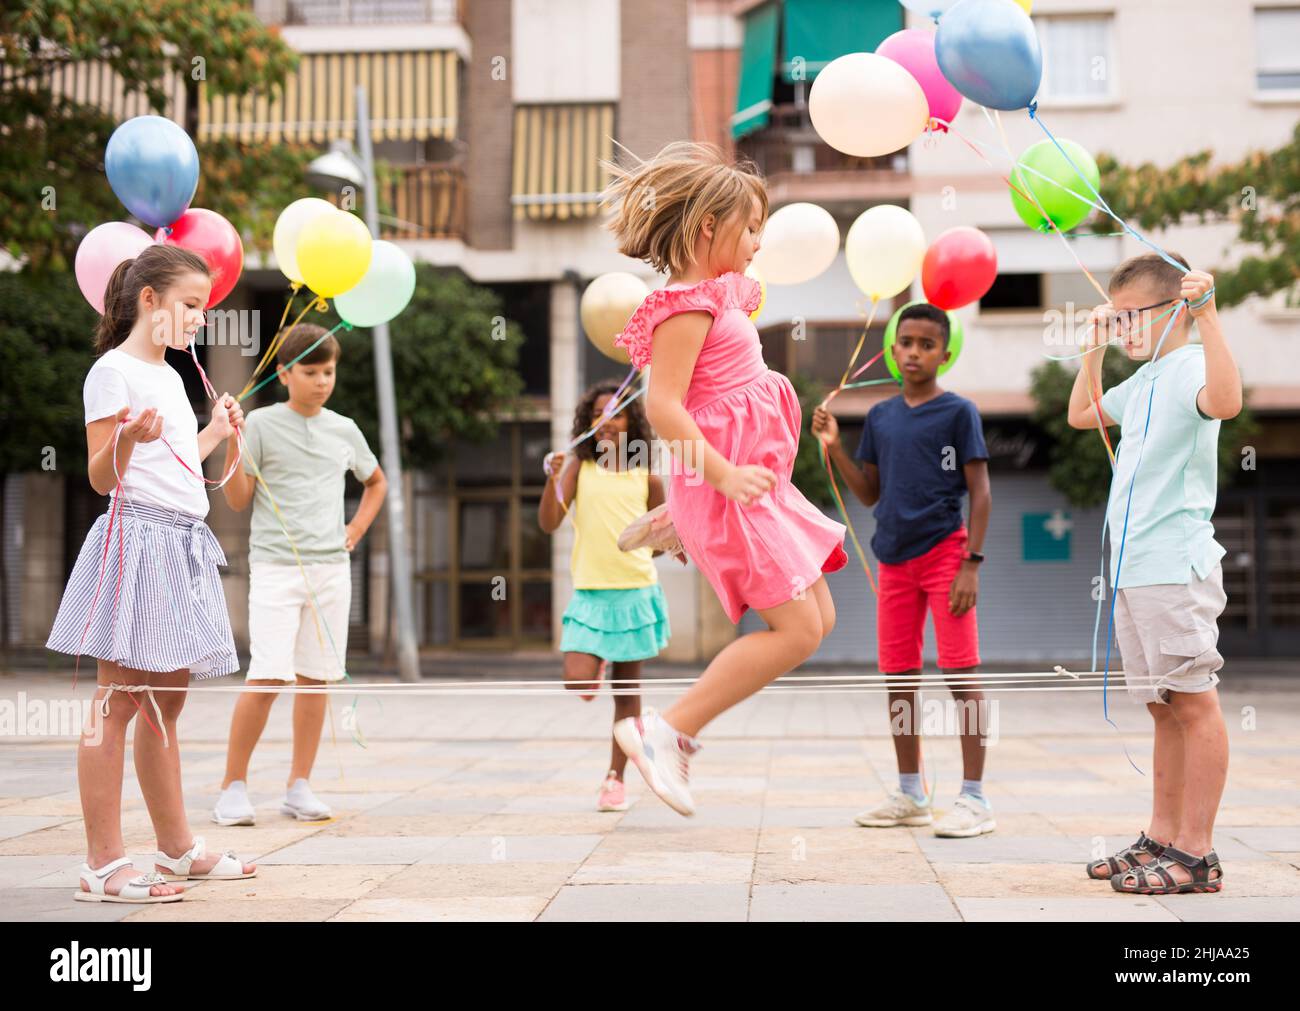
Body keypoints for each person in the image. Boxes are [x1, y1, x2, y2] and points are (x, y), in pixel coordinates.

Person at [602, 141, 848, 816]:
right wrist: (718, 474)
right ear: (709, 227)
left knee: (819, 619)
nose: (760, 242)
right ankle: (666, 732)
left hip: (754, 479)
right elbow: (663, 405)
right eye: (751, 227)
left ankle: (677, 519)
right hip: (728, 481)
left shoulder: (722, 296)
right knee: (795, 630)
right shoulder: (684, 306)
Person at [46, 244, 257, 903]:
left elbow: (175, 465)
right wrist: (127, 440)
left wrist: (214, 435)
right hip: (135, 537)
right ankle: (102, 864)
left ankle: (176, 848)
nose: (201, 319)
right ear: (149, 300)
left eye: (205, 308)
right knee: (117, 702)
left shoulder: (168, 375)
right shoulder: (111, 372)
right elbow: (103, 474)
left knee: (165, 705)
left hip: (180, 541)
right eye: (192, 305)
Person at [1067, 253, 1239, 895]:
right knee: (1164, 708)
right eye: (1117, 316)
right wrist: (1094, 347)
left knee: (1195, 703)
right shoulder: (1141, 382)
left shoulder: (1194, 364)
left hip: (1174, 564)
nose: (1124, 327)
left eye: (1132, 316)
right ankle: (1163, 837)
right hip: (1135, 569)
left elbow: (1226, 400)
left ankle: (1197, 852)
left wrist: (1210, 314)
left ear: (1174, 310)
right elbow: (1082, 415)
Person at [813, 303, 995, 838]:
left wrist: (972, 564)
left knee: (961, 675)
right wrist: (834, 448)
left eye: (926, 344)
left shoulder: (958, 412)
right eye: (906, 342)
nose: (914, 352)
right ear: (893, 349)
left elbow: (980, 494)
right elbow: (870, 493)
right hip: (893, 558)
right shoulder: (880, 417)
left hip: (946, 554)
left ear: (945, 352)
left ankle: (976, 799)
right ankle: (911, 793)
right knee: (899, 679)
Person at [214, 323, 386, 826]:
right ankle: (233, 787)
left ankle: (299, 786)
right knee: (266, 675)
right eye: (310, 372)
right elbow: (238, 499)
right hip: (275, 567)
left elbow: (375, 482)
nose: (321, 381)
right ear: (285, 373)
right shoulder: (262, 424)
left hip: (332, 568)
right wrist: (232, 441)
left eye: (328, 371)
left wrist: (355, 528)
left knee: (317, 681)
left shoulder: (344, 428)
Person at [539, 379, 672, 812]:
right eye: (598, 414)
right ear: (588, 422)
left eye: (617, 413)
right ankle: (594, 664)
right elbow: (548, 523)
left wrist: (674, 542)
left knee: (627, 696)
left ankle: (615, 778)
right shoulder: (580, 466)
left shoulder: (647, 474)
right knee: (575, 678)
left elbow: (658, 538)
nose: (607, 422)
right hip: (591, 593)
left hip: (634, 591)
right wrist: (554, 479)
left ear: (633, 422)